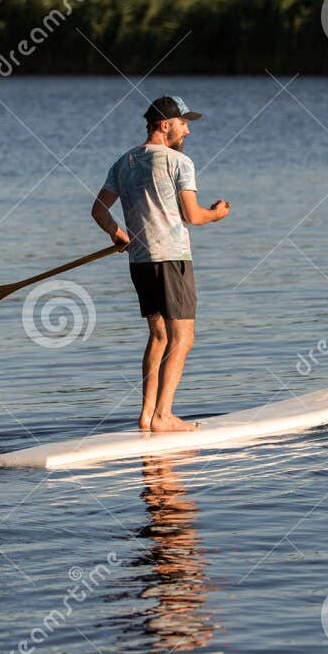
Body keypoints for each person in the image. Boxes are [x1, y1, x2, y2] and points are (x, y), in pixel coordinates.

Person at [91, 95, 230, 433]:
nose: (188, 131)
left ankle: (147, 415)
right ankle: (164, 416)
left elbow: (98, 209)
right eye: (184, 123)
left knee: (158, 336)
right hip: (171, 258)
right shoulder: (179, 163)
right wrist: (217, 214)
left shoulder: (124, 162)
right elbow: (192, 216)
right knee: (183, 337)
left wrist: (118, 234)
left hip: (141, 262)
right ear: (165, 125)